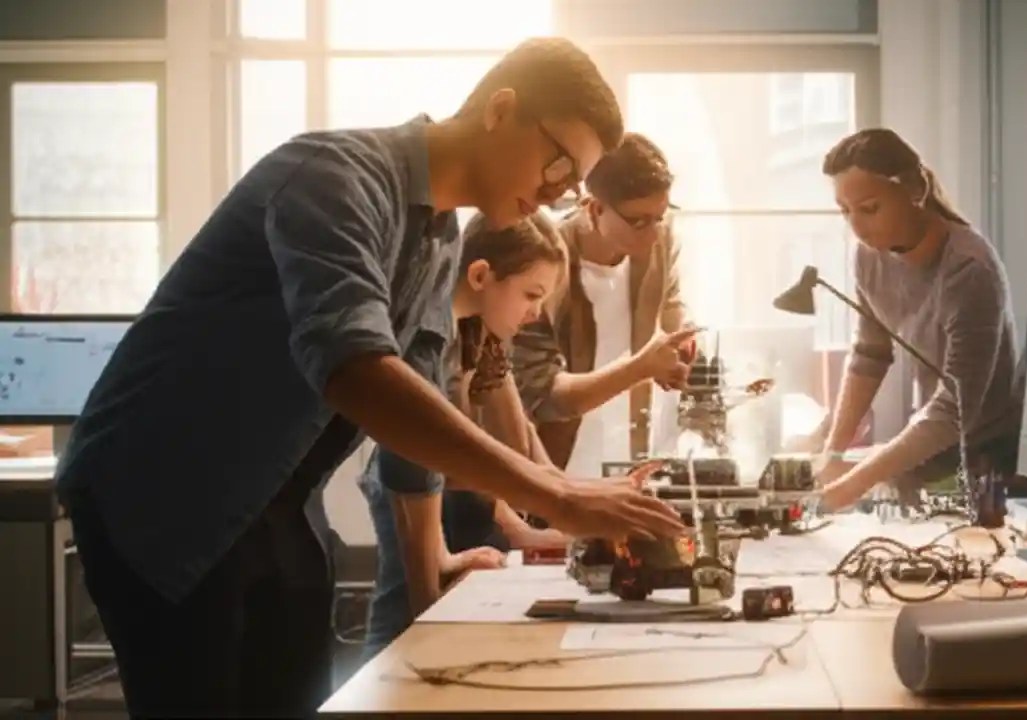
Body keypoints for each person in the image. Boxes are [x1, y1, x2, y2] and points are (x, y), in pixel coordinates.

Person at [53, 38, 682, 719]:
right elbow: (354, 368)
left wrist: (432, 559)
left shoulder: (440, 240)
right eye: (560, 162)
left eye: (574, 179)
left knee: (297, 694)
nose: (560, 191)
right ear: (503, 110)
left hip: (276, 497)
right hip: (162, 487)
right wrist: (554, 491)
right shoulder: (335, 175)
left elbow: (416, 411)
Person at [358, 211, 572, 659]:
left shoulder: (479, 330)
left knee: (424, 615)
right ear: (480, 275)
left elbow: (502, 444)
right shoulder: (431, 332)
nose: (535, 313)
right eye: (531, 295)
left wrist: (549, 505)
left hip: (442, 481)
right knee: (400, 619)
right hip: (405, 480)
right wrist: (519, 526)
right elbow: (441, 453)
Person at [813, 128, 1023, 512]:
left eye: (870, 208)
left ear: (913, 190)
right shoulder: (868, 258)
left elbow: (953, 410)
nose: (857, 227)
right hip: (931, 449)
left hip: (985, 465)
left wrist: (849, 487)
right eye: (846, 212)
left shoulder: (969, 270)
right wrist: (833, 455)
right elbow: (869, 355)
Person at [513, 132, 695, 476]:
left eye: (661, 216)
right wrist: (641, 367)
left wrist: (682, 339)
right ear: (595, 208)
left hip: (634, 458)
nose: (654, 232)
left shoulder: (660, 239)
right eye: (639, 221)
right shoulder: (543, 263)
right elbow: (542, 395)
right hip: (558, 466)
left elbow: (670, 302)